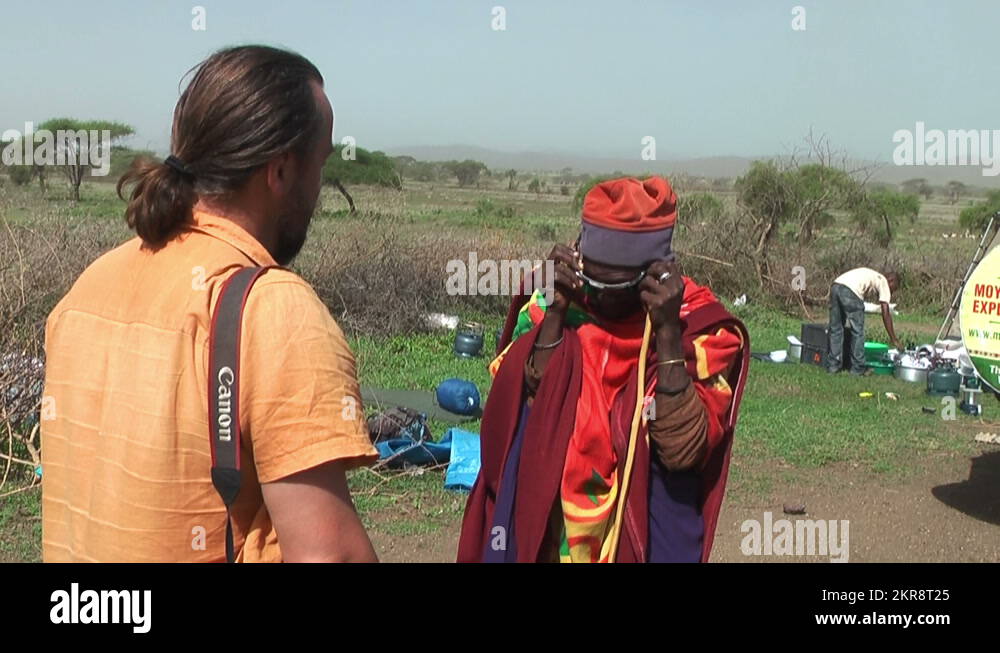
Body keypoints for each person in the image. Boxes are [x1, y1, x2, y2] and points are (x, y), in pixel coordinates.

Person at [41, 45, 379, 562]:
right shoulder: (271, 310)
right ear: (282, 170)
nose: (318, 189)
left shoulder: (87, 288)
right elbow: (329, 556)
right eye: (321, 161)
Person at [457, 176, 750, 563]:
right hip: (550, 533)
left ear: (659, 274)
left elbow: (683, 452)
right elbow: (523, 407)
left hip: (642, 534)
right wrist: (557, 312)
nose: (603, 299)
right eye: (594, 283)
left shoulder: (696, 326)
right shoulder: (556, 303)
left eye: (620, 288)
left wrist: (664, 333)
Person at [827, 267, 901, 375]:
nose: (891, 292)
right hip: (850, 291)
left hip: (835, 286)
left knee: (836, 329)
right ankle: (858, 368)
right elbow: (886, 312)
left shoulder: (872, 275)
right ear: (891, 281)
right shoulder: (883, 281)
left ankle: (833, 366)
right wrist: (894, 339)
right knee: (857, 331)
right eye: (893, 289)